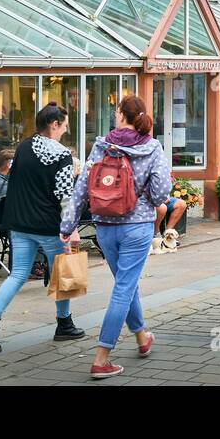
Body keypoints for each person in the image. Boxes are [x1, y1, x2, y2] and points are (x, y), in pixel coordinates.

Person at [61, 95, 167, 380]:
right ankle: (101, 358)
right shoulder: (152, 147)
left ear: (120, 116)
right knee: (123, 288)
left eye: (116, 111)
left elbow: (81, 188)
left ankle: (142, 336)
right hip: (137, 226)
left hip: (105, 226)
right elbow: (160, 194)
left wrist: (67, 224)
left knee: (124, 283)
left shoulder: (101, 146)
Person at [0, 105, 85, 354]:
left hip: (20, 223)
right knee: (62, 273)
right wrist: (71, 227)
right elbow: (65, 196)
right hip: (48, 225)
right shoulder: (62, 155)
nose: (65, 130)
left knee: (18, 274)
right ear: (54, 124)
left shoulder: (23, 147)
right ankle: (64, 324)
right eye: (65, 125)